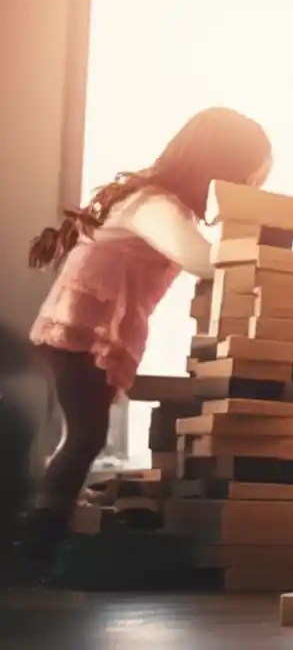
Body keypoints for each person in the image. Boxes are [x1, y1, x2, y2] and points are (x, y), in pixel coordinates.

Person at [18, 107, 273, 567]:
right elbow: (201, 259)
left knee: (83, 432)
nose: (247, 191)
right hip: (82, 328)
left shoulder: (153, 201)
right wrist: (263, 248)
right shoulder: (157, 205)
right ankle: (38, 539)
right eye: (247, 179)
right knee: (86, 434)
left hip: (86, 329)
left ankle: (45, 525)